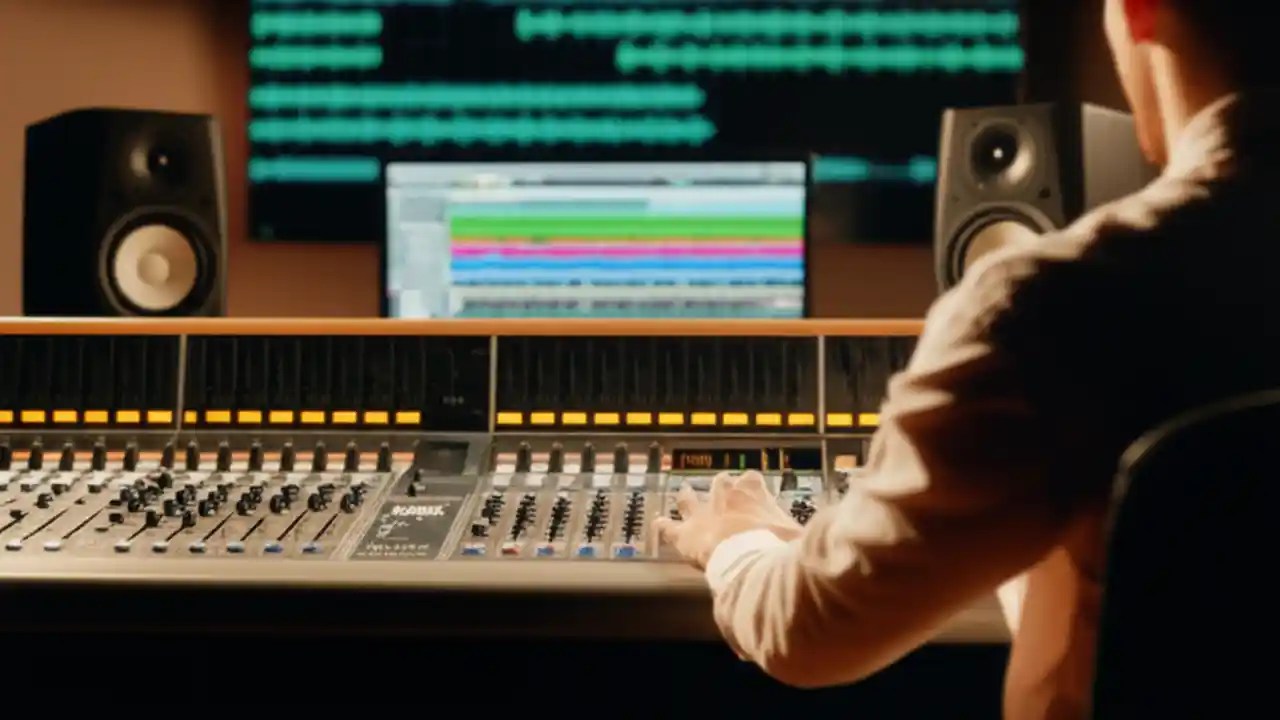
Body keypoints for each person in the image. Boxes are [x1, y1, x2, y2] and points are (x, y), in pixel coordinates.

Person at [652, 1, 1279, 717]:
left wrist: (737, 543)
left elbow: (811, 630)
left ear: (1138, 13)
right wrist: (856, 546)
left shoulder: (1050, 307)